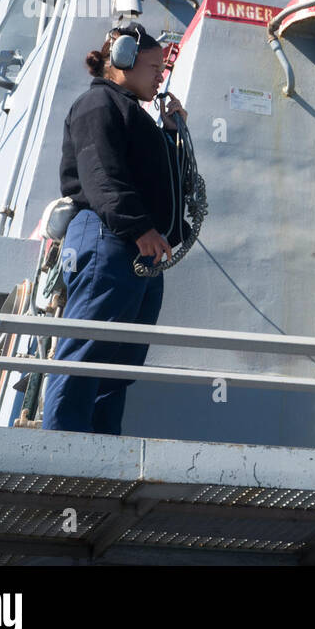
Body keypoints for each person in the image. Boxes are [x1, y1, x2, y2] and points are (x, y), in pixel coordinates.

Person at [41, 22, 189, 434]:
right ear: (124, 60)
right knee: (86, 351)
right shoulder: (99, 105)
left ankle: (99, 452)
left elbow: (171, 185)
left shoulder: (137, 118)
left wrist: (174, 133)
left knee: (118, 364)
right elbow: (100, 174)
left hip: (139, 248)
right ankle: (62, 451)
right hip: (111, 237)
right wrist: (140, 227)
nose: (161, 75)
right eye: (155, 66)